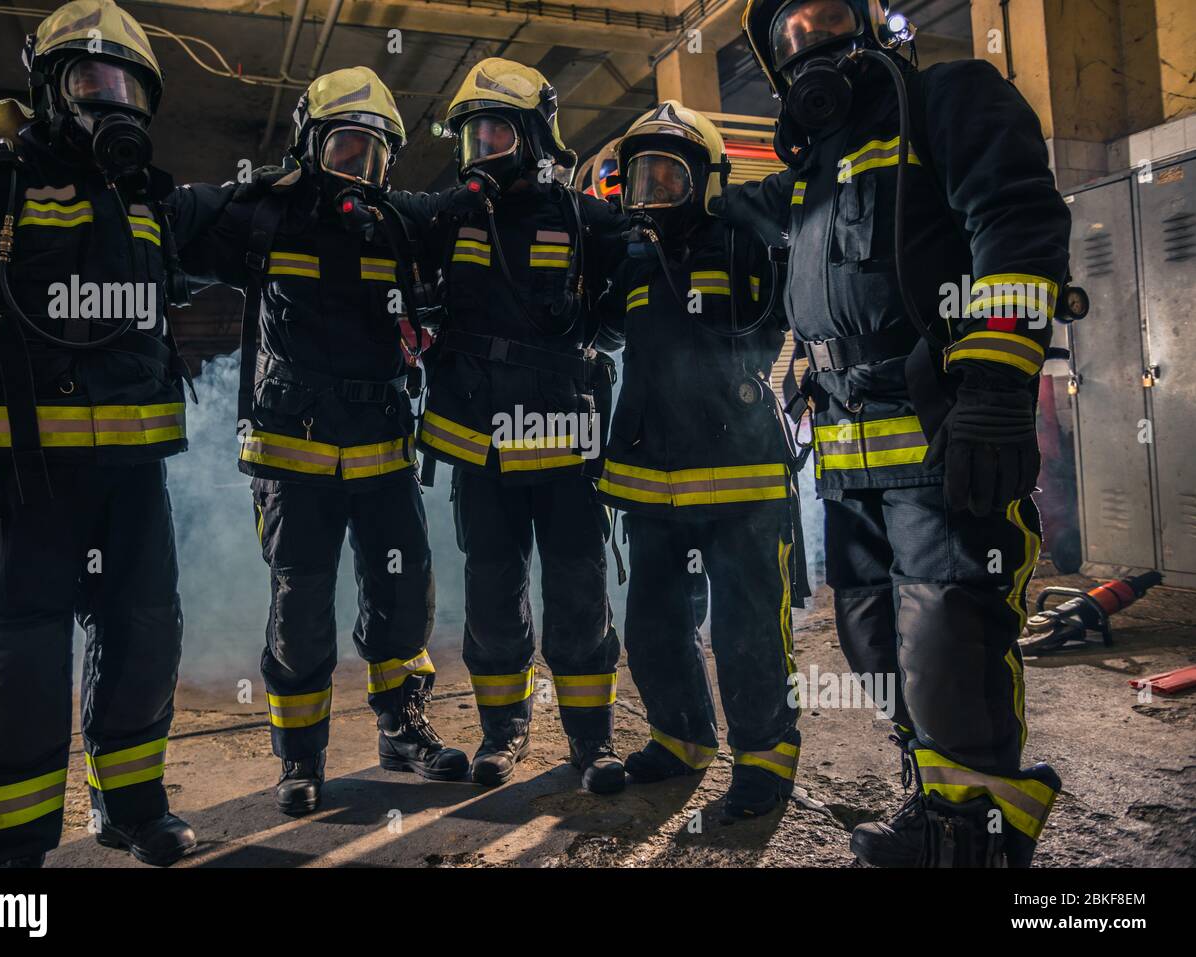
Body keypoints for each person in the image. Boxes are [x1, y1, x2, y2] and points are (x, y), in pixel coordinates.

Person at [725, 0, 1070, 865]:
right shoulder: (805, 178)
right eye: (790, 39)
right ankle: (938, 808)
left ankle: (980, 838)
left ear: (876, 30)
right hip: (846, 466)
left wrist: (996, 387)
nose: (813, 45)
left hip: (943, 442)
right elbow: (727, 216)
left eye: (829, 18)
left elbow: (1018, 222)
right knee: (876, 644)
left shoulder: (949, 99)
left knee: (947, 642)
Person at [0, 0, 207, 867]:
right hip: (11, 482)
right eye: (91, 81)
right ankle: (1, 871)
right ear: (44, 90)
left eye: (130, 89)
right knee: (19, 671)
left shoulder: (146, 203)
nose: (113, 103)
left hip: (132, 479)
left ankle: (132, 805)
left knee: (145, 638)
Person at [172, 68, 468, 814]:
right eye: (343, 148)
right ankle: (300, 762)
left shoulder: (398, 225)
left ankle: (402, 728)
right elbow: (175, 225)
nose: (357, 169)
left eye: (371, 155)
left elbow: (466, 224)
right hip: (291, 453)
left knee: (402, 599)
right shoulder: (266, 218)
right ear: (310, 147)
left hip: (382, 448)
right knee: (300, 608)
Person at [389, 58, 629, 793]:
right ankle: (504, 732)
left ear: (532, 137)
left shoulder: (583, 221)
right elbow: (375, 226)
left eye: (495, 131)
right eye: (471, 136)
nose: (481, 149)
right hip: (482, 455)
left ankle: (591, 742)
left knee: (579, 594)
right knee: (493, 597)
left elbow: (639, 288)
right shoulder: (447, 216)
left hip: (564, 451)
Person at [596, 102, 805, 817]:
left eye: (668, 175)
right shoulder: (626, 255)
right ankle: (680, 740)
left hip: (742, 478)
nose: (651, 189)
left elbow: (787, 305)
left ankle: (765, 762)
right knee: (653, 623)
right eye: (641, 176)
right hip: (652, 480)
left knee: (747, 629)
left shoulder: (743, 240)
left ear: (705, 180)